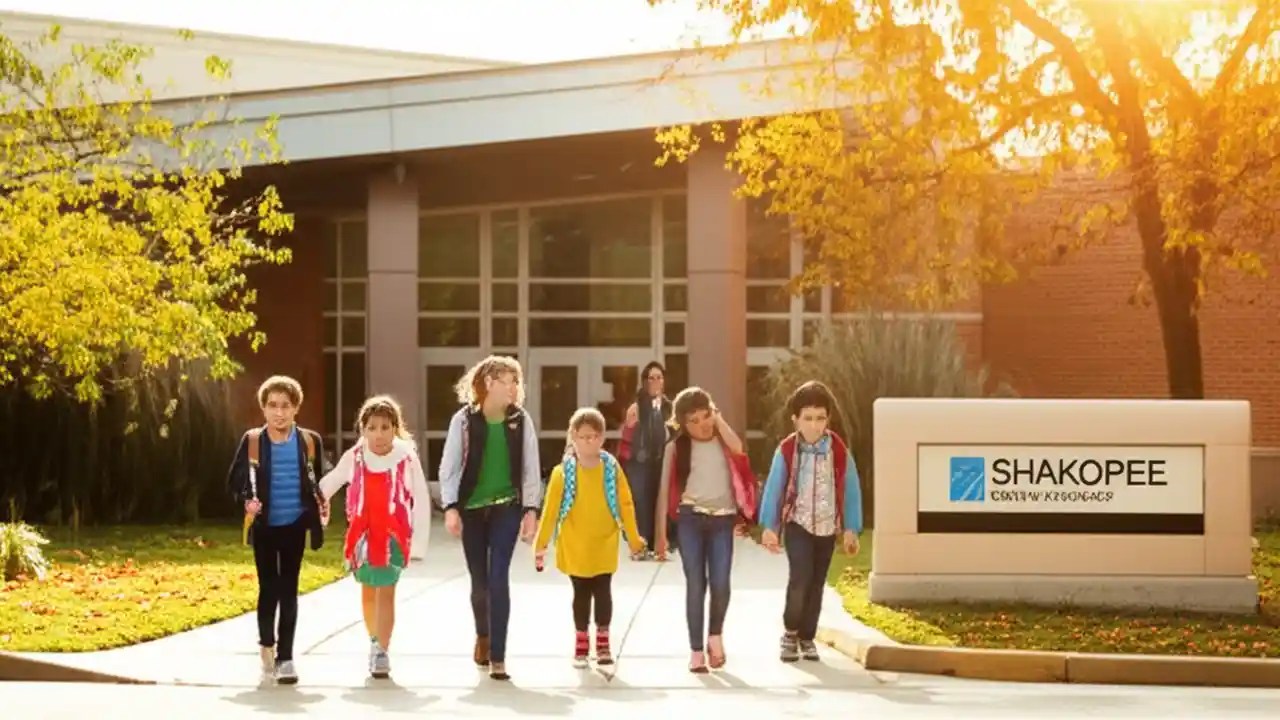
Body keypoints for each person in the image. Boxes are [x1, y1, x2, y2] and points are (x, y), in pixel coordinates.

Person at [438, 355, 543, 681]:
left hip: (506, 509)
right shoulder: (464, 421)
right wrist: (451, 507)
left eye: (516, 381)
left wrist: (530, 511)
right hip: (471, 509)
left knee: (499, 578)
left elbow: (530, 468)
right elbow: (450, 467)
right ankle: (482, 635)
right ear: (487, 383)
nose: (513, 387)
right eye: (506, 380)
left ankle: (498, 655)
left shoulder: (520, 421)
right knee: (480, 583)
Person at [318, 395, 431, 679]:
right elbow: (328, 484)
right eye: (372, 428)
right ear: (363, 430)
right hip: (363, 537)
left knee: (387, 590)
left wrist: (418, 544)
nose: (378, 434)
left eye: (385, 427)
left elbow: (420, 498)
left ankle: (382, 650)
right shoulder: (355, 457)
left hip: (393, 534)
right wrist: (316, 504)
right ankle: (373, 641)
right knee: (368, 590)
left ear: (395, 428)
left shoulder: (405, 458)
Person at [225, 375, 327, 685]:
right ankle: (266, 643)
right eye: (272, 406)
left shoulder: (310, 442)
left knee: (289, 589)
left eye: (285, 406)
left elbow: (317, 481)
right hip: (266, 526)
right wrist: (246, 501)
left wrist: (320, 506)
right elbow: (234, 482)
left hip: (295, 524)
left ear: (296, 408)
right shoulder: (253, 441)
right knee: (269, 588)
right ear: (264, 409)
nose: (279, 413)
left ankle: (286, 658)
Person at [757, 380, 863, 663]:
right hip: (798, 524)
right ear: (795, 419)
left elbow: (850, 489)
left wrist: (850, 528)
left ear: (828, 418)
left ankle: (807, 637)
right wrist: (770, 527)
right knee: (800, 578)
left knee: (817, 583)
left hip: (827, 527)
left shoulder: (838, 451)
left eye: (820, 418)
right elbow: (774, 489)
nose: (814, 425)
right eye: (808, 418)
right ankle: (790, 632)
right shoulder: (789, 450)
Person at [653, 387, 756, 674]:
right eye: (693, 421)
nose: (702, 424)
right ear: (682, 424)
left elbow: (739, 449)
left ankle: (715, 636)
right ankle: (696, 651)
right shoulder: (677, 448)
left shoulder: (724, 442)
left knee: (721, 582)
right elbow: (663, 492)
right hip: (691, 520)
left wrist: (719, 421)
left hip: (723, 520)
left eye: (706, 416)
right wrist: (660, 536)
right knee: (696, 583)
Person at [534, 408, 646, 668]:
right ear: (573, 437)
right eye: (584, 437)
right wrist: (541, 544)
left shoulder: (611, 469)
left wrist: (633, 536)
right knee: (581, 593)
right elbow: (550, 510)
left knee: (603, 591)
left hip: (604, 541)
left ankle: (604, 640)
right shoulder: (563, 473)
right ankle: (582, 640)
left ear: (603, 437)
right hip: (575, 543)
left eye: (595, 436)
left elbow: (625, 502)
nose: (589, 442)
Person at [619, 361, 672, 561]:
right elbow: (628, 433)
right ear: (645, 381)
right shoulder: (637, 406)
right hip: (639, 462)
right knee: (640, 503)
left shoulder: (668, 406)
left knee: (659, 502)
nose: (656, 382)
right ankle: (638, 545)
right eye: (651, 378)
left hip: (660, 461)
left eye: (659, 377)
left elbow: (673, 432)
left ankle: (657, 545)